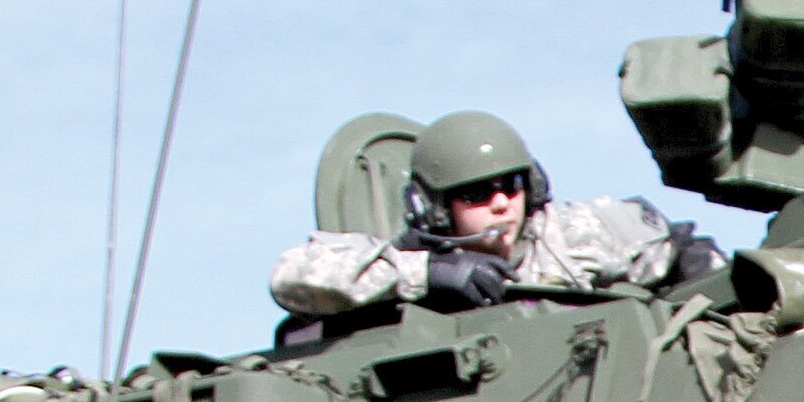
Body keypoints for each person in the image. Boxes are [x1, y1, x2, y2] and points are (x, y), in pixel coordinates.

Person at [269, 112, 703, 319]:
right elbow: (292, 276)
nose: (501, 204)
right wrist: (431, 274)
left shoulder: (567, 235)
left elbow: (675, 245)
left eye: (510, 186)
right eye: (477, 194)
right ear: (435, 209)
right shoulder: (403, 261)